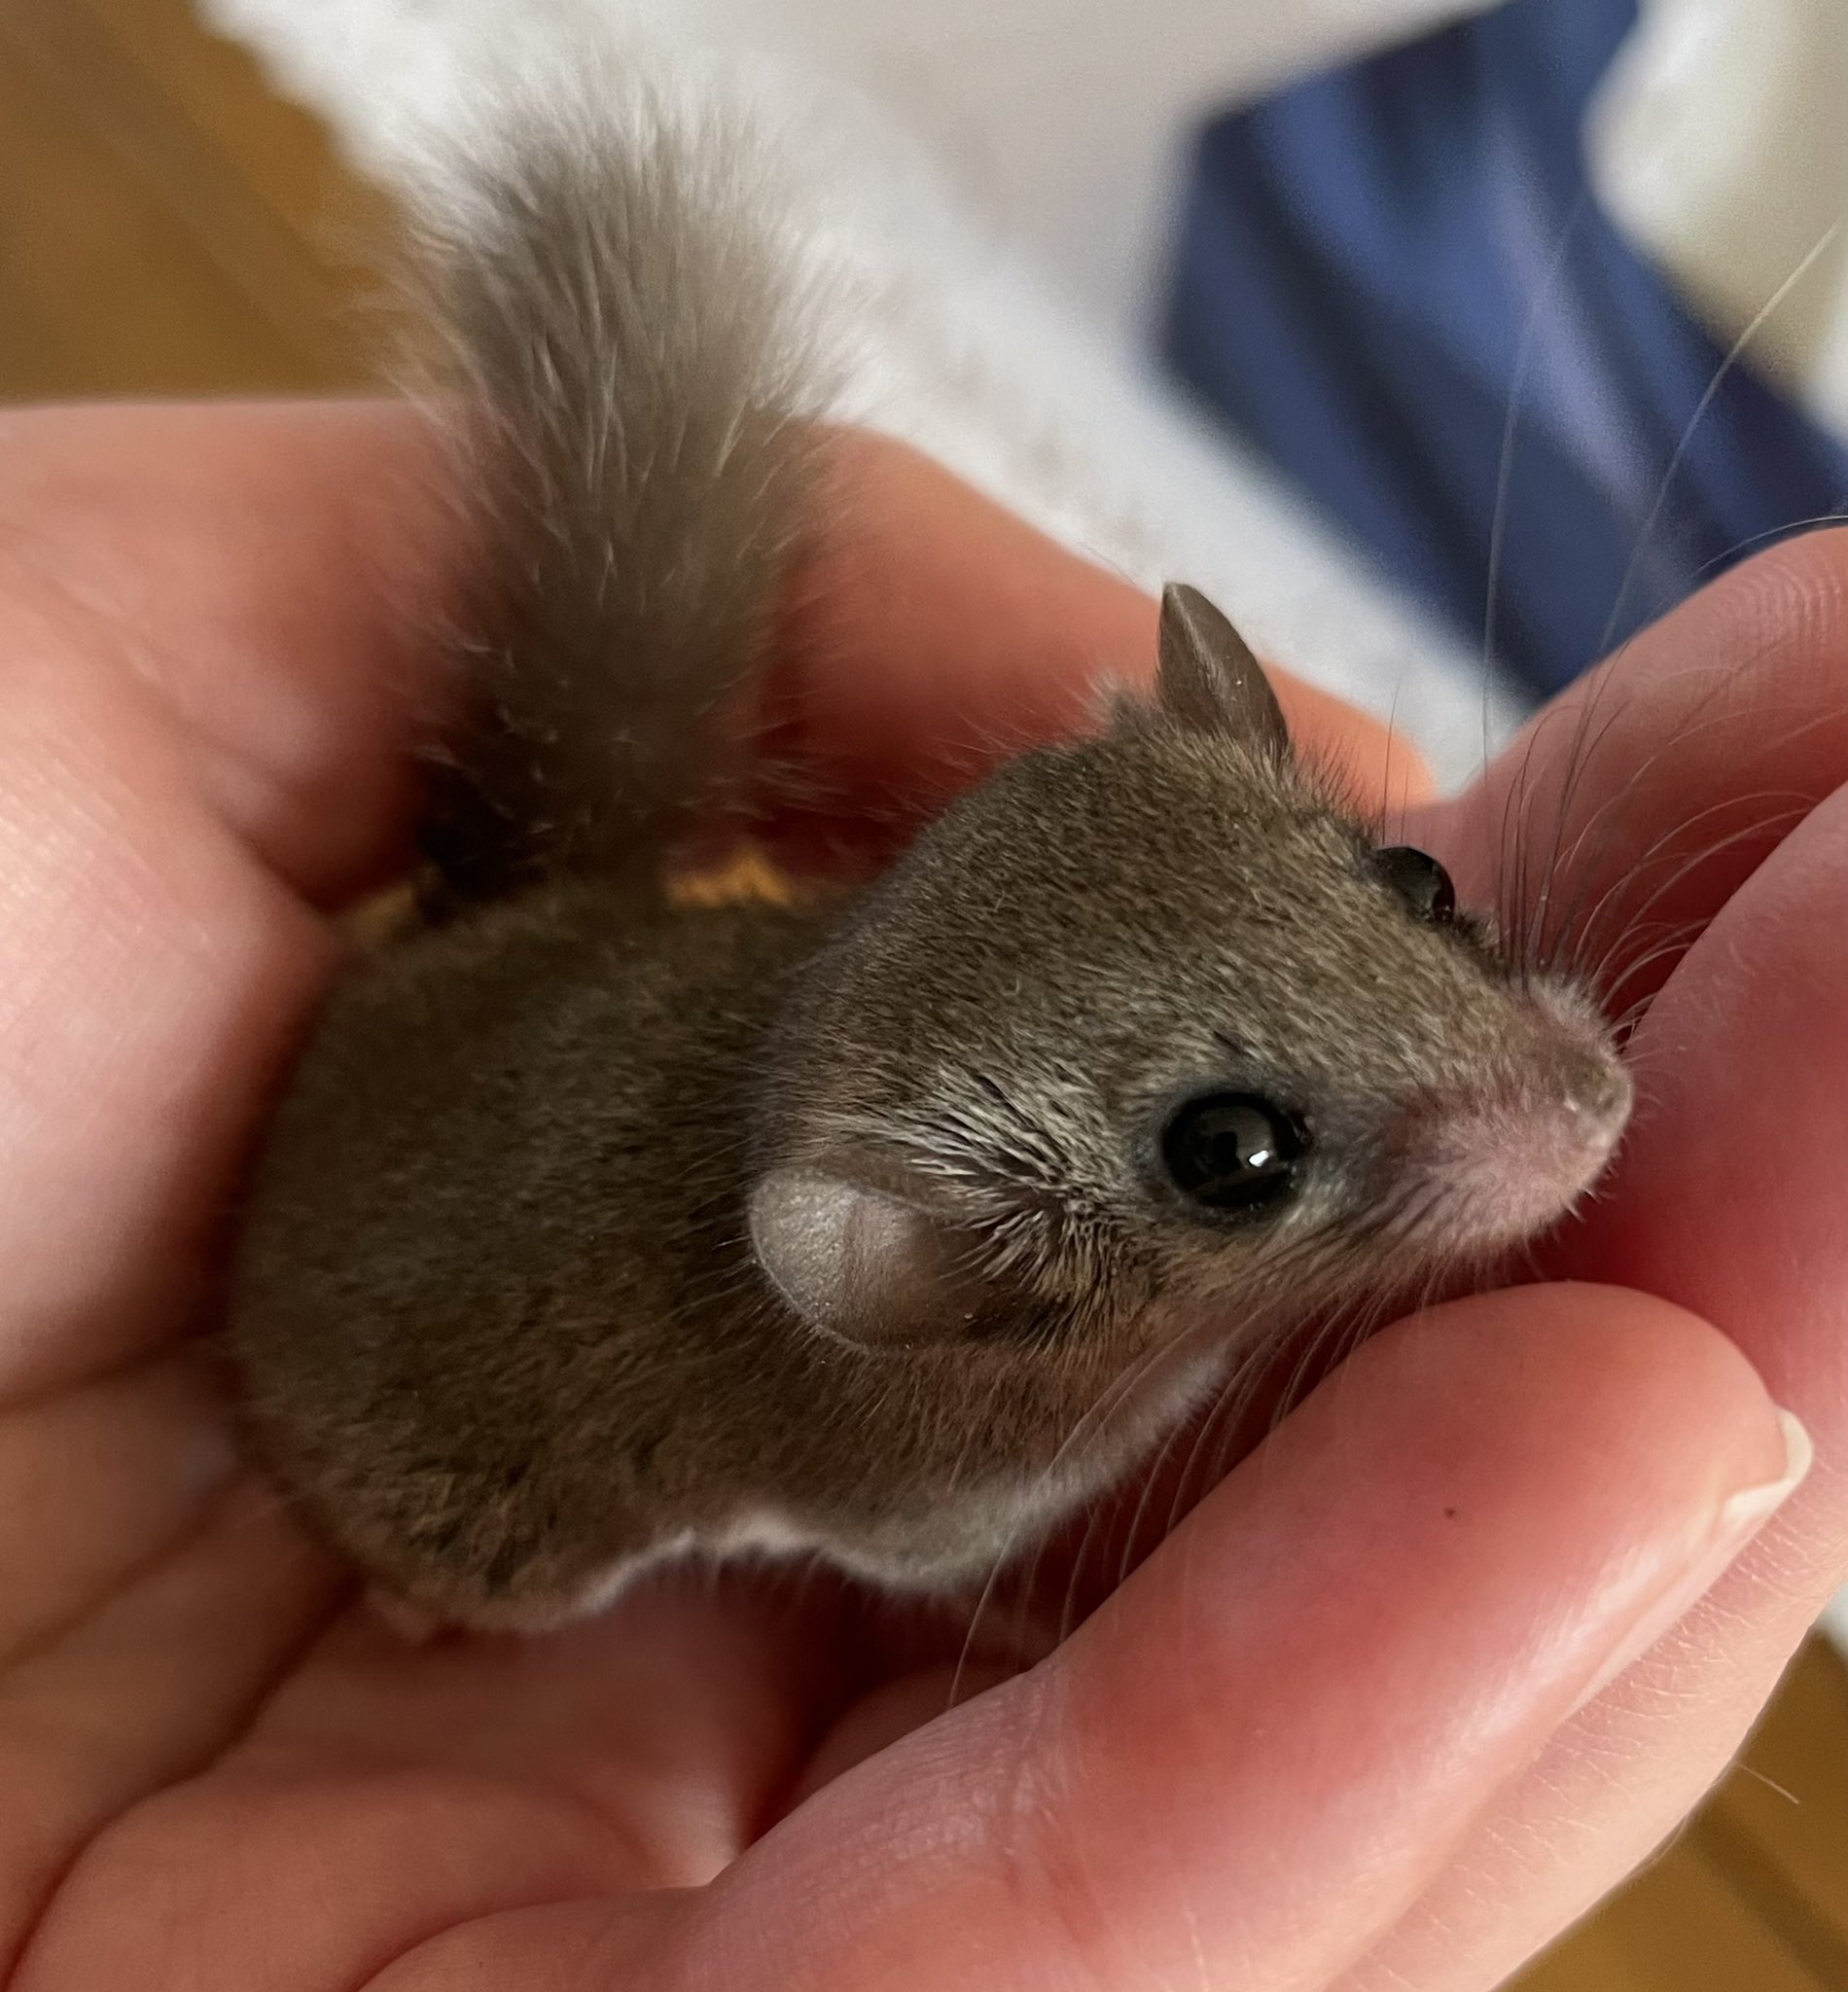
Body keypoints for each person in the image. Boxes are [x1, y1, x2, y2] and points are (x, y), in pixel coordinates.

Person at [0, 401, 1841, 1991]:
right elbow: (911, 1529)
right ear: (941, 1256)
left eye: (1409, 900)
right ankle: (427, 1573)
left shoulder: (884, 1104)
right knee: (511, 1548)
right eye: (1236, 1154)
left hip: (476, 1037)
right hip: (392, 1400)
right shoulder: (904, 1328)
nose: (1561, 1086)